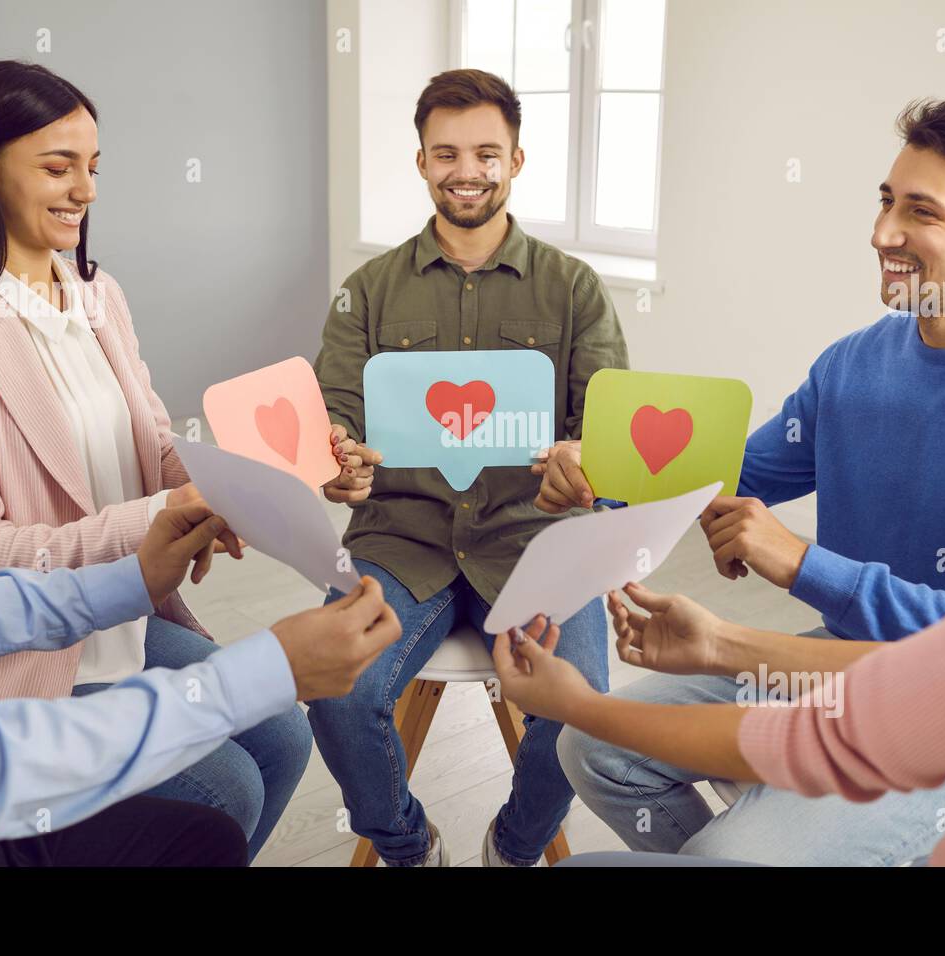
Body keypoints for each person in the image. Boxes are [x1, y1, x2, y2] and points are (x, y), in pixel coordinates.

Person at [494, 0, 945, 867]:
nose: (881, 234)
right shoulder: (856, 362)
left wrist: (801, 563)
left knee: (727, 852)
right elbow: (727, 467)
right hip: (835, 661)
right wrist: (597, 469)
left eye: (920, 212)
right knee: (592, 751)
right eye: (884, 203)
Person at [0, 39, 401, 868]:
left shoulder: (99, 296)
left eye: (94, 165)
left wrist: (285, 473)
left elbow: (157, 450)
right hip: (31, 652)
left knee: (283, 736)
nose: (87, 190)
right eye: (58, 166)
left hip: (126, 612)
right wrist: (157, 519)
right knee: (228, 790)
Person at [311, 68, 629, 866]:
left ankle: (516, 846)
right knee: (334, 683)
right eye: (446, 152)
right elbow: (332, 416)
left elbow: (609, 436)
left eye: (487, 152)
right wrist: (339, 459)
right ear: (421, 161)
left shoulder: (575, 289)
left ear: (517, 160)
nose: (467, 170)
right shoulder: (367, 291)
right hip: (399, 534)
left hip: (538, 538)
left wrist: (584, 461)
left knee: (580, 700)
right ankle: (407, 845)